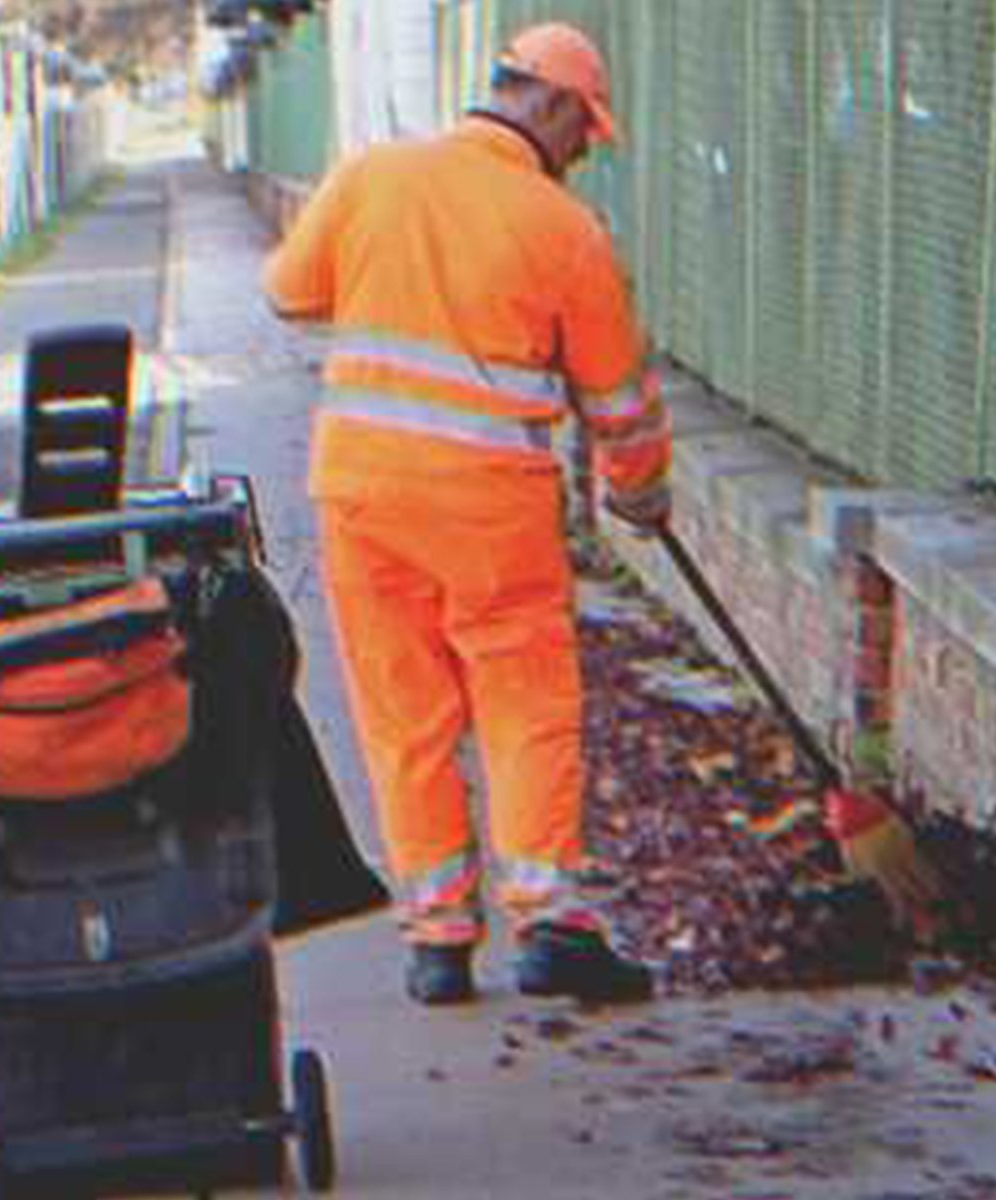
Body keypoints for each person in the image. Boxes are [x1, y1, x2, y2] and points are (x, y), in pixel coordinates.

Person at [262, 22, 671, 1006]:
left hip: (361, 496)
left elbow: (288, 293)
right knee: (525, 699)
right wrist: (639, 486)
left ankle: (438, 940)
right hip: (491, 509)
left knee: (404, 713)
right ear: (554, 104)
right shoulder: (561, 228)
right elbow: (614, 395)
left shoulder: (371, 178)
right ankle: (549, 924)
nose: (584, 152)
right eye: (586, 131)